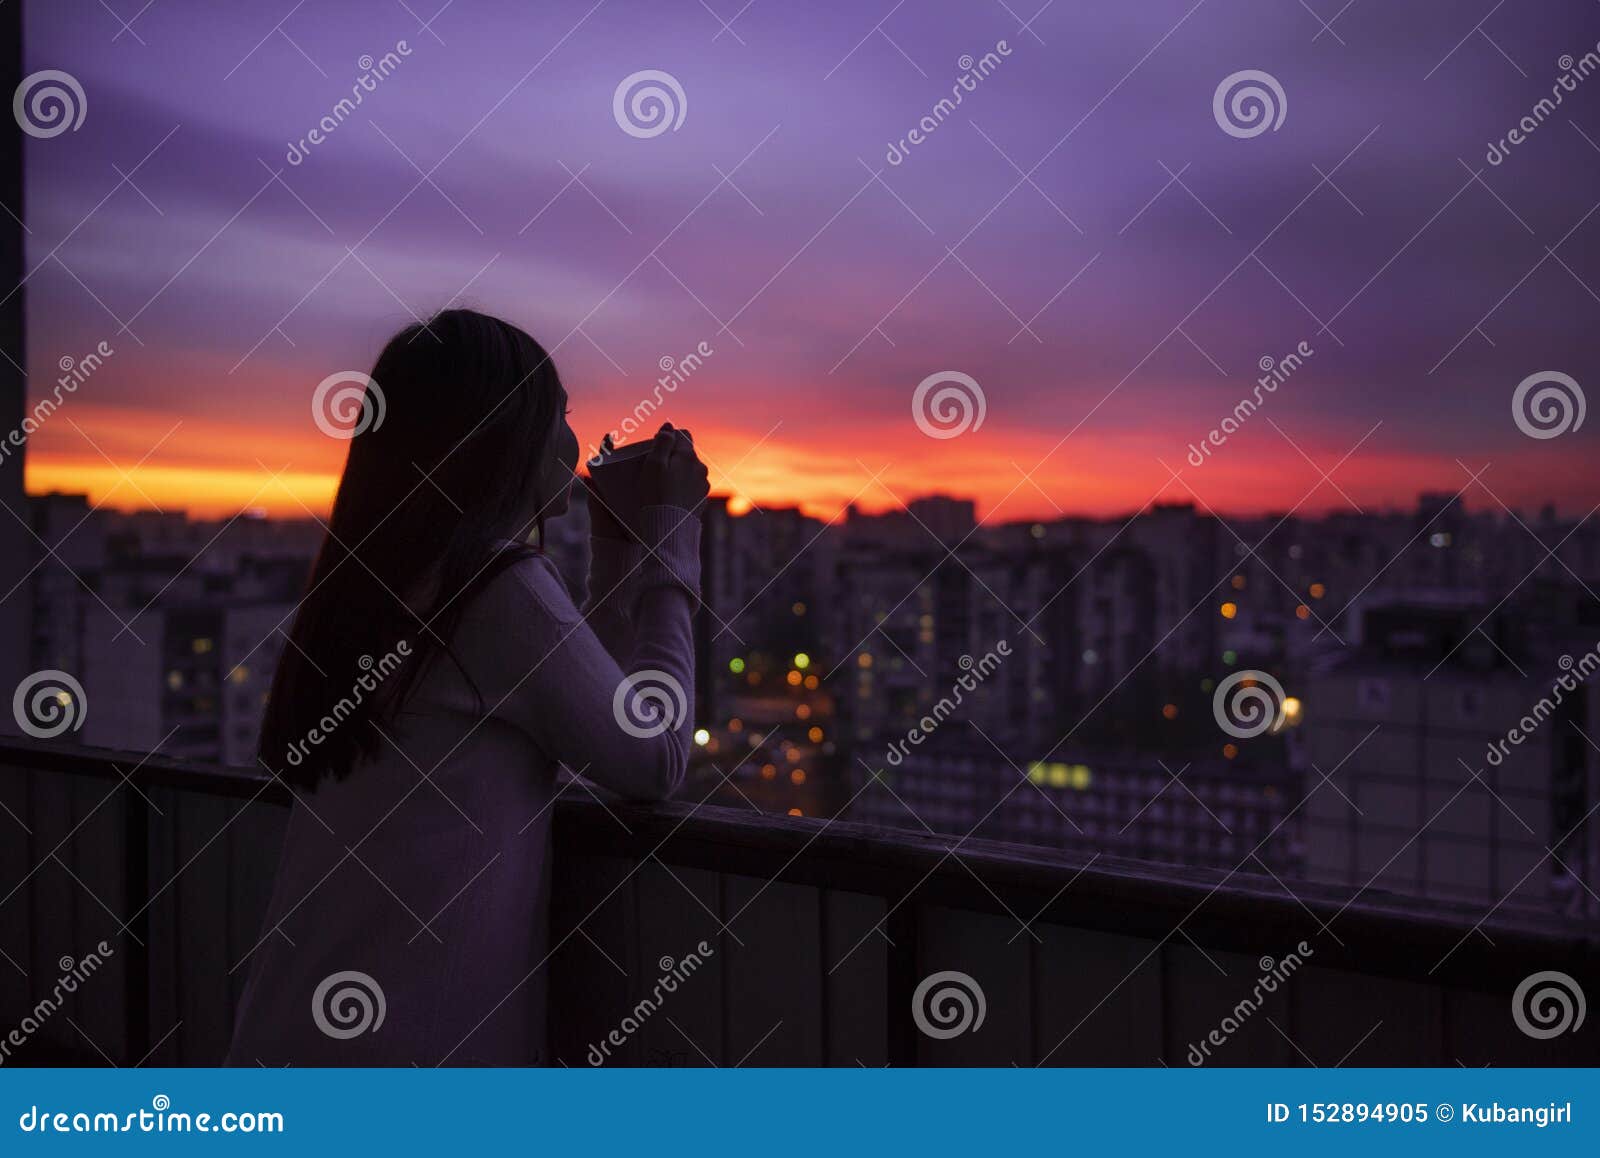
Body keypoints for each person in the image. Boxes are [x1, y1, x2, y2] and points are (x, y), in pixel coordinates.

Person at [226, 308, 708, 1065]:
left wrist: (618, 543)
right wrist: (673, 543)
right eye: (560, 417)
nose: (572, 443)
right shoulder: (495, 587)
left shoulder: (386, 580)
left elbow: (581, 697)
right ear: (505, 443)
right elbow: (652, 757)